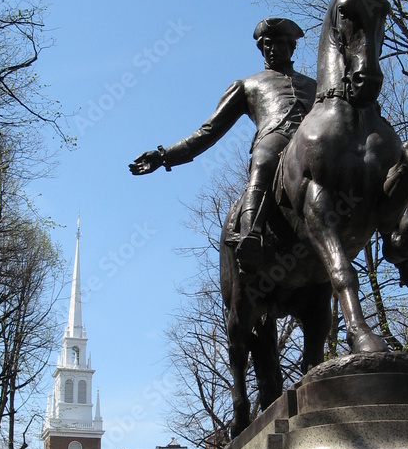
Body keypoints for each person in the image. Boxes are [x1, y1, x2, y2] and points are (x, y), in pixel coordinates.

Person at [130, 18, 316, 270]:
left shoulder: (315, 86)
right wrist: (165, 156)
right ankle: (251, 233)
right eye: (267, 44)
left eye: (280, 43)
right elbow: (209, 130)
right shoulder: (247, 85)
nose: (272, 49)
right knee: (264, 159)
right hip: (275, 137)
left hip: (312, 142)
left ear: (292, 47)